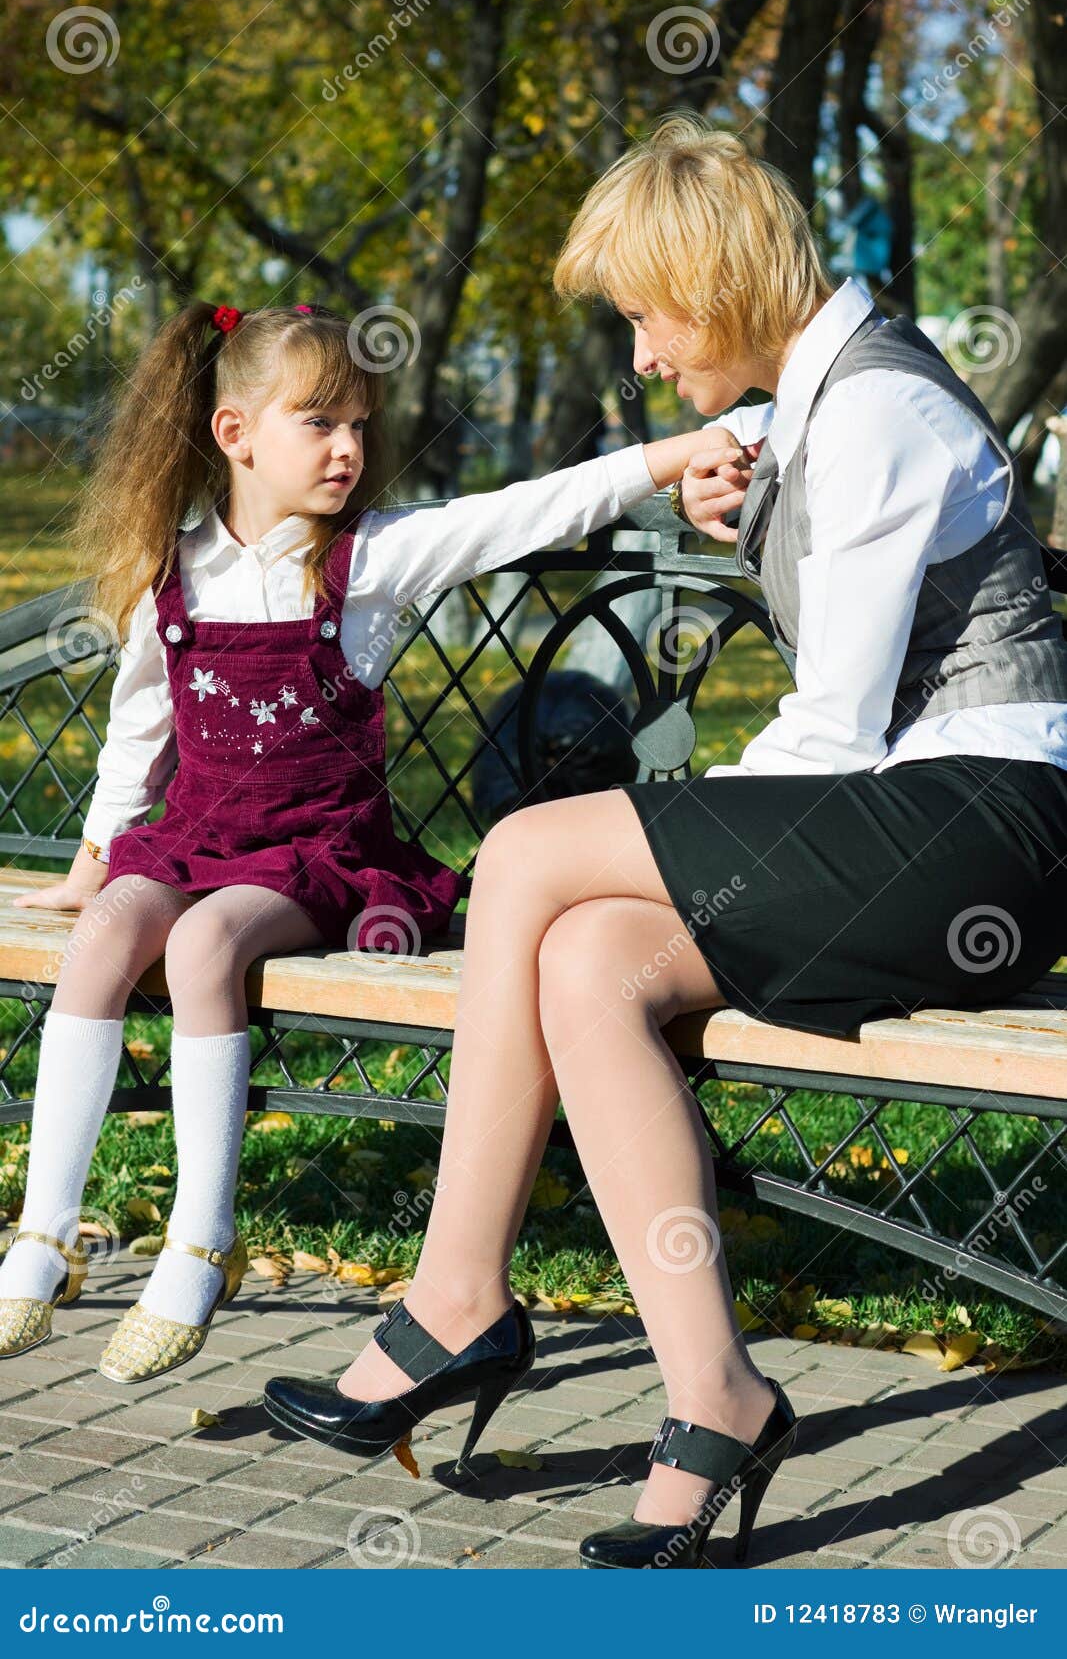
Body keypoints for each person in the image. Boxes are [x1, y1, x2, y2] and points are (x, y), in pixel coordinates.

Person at [264, 118, 1067, 1571]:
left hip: (978, 830)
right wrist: (742, 501)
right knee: (583, 960)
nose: (636, 353)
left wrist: (665, 827)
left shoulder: (877, 407)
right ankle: (716, 1393)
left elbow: (828, 732)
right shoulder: (826, 407)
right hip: (918, 817)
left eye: (642, 313)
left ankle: (454, 1294)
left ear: (714, 279)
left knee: (522, 855)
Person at [0, 296, 720, 1385]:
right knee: (106, 934)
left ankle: (202, 1235)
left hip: (318, 858)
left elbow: (530, 507)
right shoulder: (173, 571)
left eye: (360, 423)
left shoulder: (370, 561)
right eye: (319, 421)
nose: (349, 447)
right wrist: (98, 859)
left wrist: (675, 455)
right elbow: (138, 728)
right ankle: (42, 1238)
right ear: (236, 434)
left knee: (201, 951)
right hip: (192, 842)